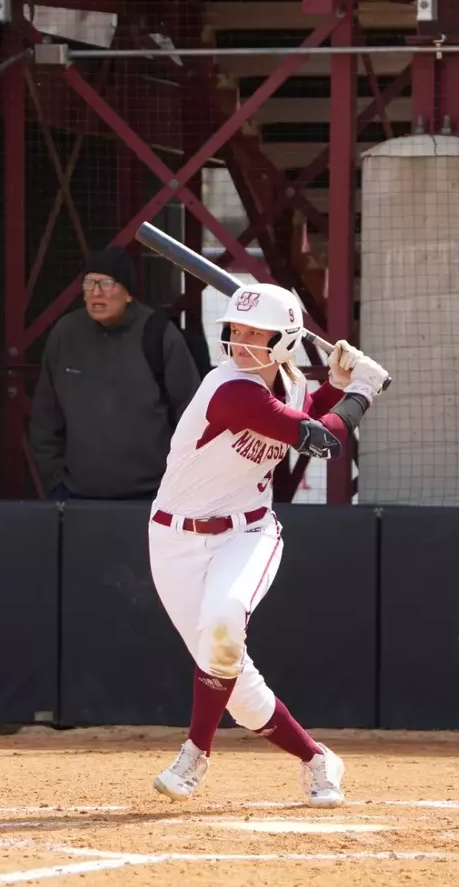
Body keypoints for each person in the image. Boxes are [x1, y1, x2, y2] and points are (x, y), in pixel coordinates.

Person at [148, 282, 385, 807]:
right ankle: (317, 759)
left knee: (226, 616)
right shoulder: (229, 389)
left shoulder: (289, 388)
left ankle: (194, 755)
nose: (242, 342)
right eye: (237, 331)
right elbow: (322, 437)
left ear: (285, 341)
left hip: (247, 531)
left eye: (258, 334)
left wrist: (341, 383)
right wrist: (361, 391)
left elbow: (312, 411)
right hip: (172, 540)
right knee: (237, 681)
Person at [30, 247, 201, 500]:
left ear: (129, 293)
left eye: (106, 283)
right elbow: (45, 417)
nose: (96, 293)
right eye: (89, 283)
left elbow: (193, 416)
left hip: (153, 497)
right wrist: (55, 483)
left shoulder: (160, 335)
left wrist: (177, 487)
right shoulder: (66, 334)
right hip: (77, 495)